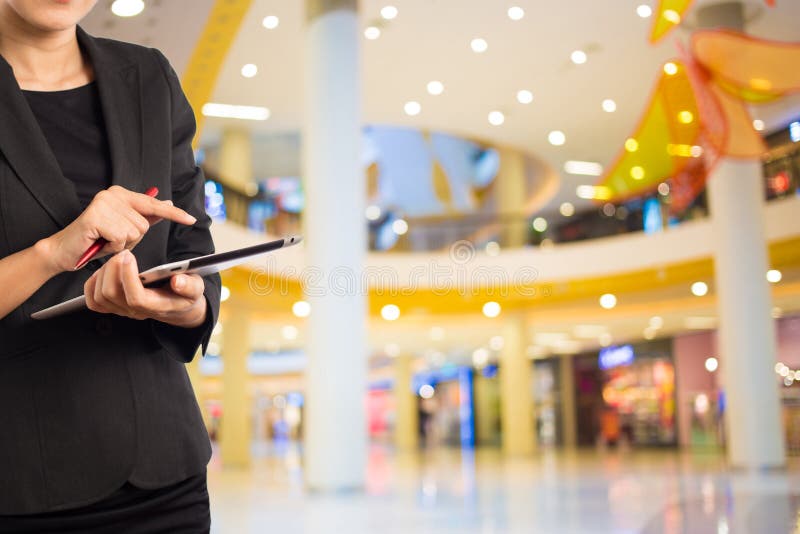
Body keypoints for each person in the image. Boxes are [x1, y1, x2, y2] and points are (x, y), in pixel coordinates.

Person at [0, 0, 221, 531]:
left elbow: (192, 241)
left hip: (165, 473)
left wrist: (186, 304)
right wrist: (54, 252)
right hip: (22, 481)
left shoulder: (148, 75)